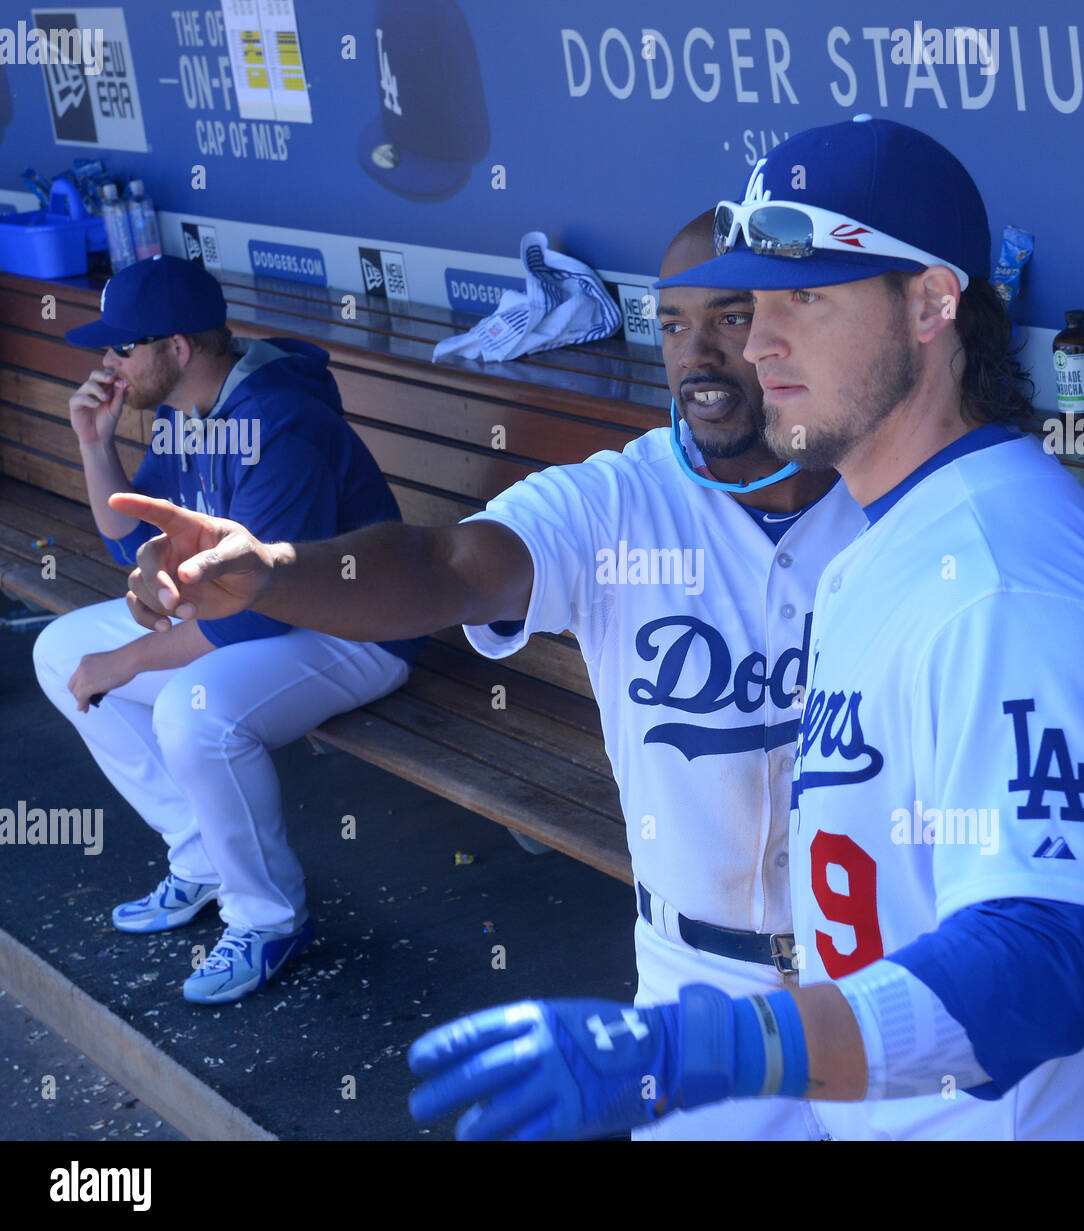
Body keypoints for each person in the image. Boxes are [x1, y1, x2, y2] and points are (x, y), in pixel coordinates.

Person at [394, 117, 1084, 1142]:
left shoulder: (1004, 585)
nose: (756, 342)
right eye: (755, 304)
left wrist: (710, 1048)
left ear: (929, 304)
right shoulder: (894, 532)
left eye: (806, 298)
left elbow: (1044, 960)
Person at [110, 219, 867, 1139]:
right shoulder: (617, 497)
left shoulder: (891, 499)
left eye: (731, 316)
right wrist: (276, 570)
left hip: (888, 974)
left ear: (794, 326)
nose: (697, 354)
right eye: (671, 324)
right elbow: (447, 564)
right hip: (697, 986)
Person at [33, 255, 424, 1005]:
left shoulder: (282, 422)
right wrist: (93, 442)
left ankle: (269, 916)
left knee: (195, 713)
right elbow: (130, 540)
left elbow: (253, 612)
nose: (107, 362)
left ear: (176, 349)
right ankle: (203, 854)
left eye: (123, 347)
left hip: (362, 628)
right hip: (261, 615)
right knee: (59, 651)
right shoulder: (191, 409)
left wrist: (126, 661)